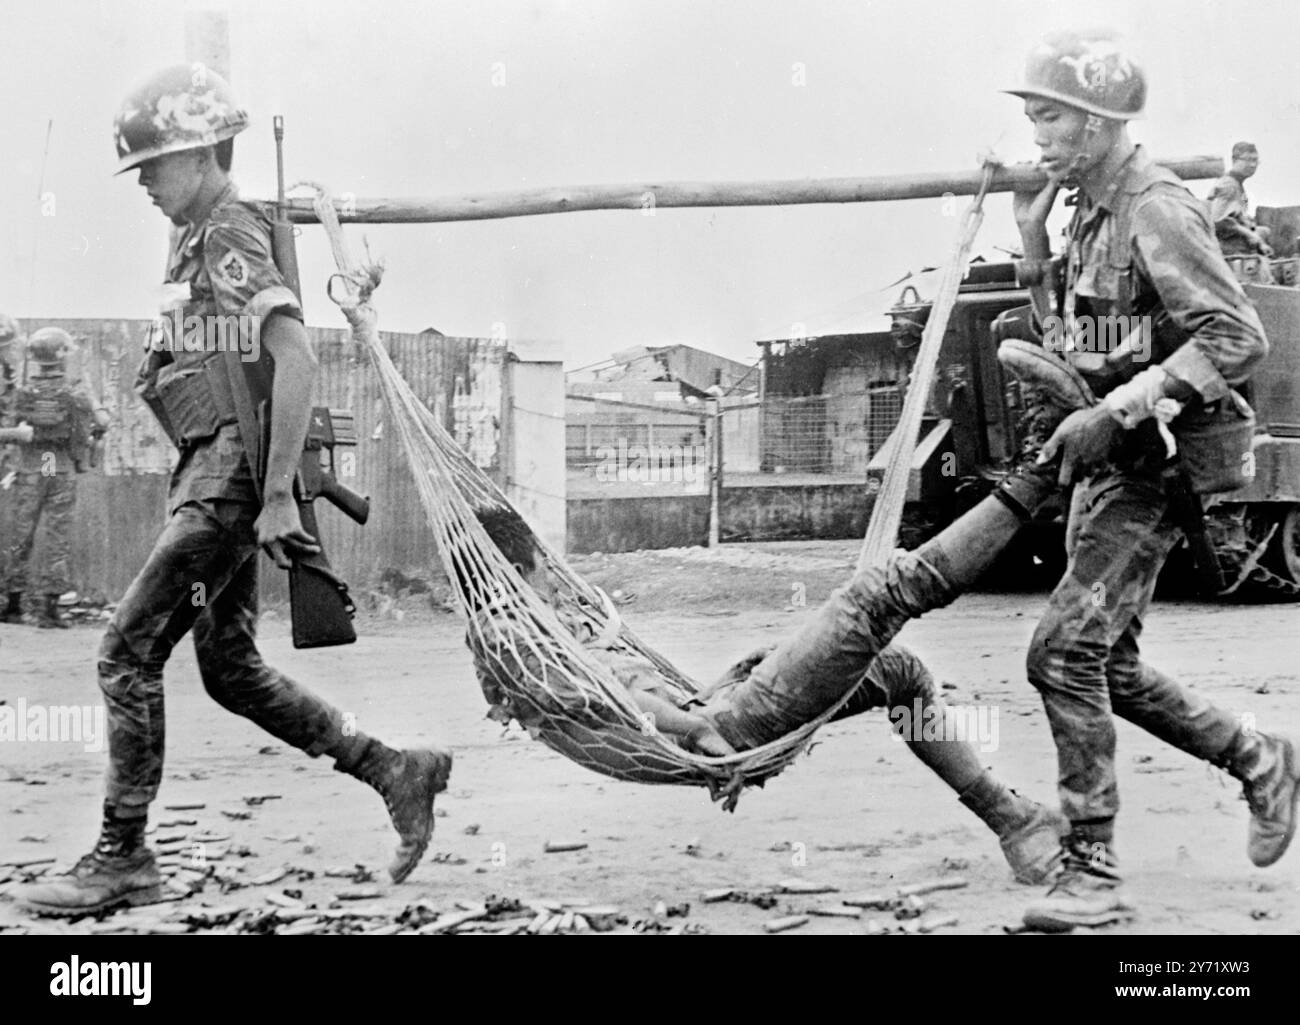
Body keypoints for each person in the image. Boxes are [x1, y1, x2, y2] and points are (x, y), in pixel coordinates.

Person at [18, 65, 451, 917]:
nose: (143, 182)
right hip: (210, 477)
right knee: (229, 667)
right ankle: (395, 769)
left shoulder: (229, 232)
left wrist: (281, 494)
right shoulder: (191, 243)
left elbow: (294, 356)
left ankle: (124, 855)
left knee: (125, 649)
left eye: (153, 164)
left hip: (229, 487)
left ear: (202, 153)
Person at [470, 355, 1095, 883]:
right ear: (520, 571)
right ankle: (1044, 464)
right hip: (730, 728)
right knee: (877, 596)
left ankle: (1015, 826)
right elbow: (605, 702)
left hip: (724, 709)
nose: (557, 580)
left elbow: (619, 700)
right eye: (545, 569)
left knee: (901, 673)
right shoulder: (515, 633)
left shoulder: (529, 629)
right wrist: (695, 732)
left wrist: (712, 689)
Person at [1001, 30, 1295, 932]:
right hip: (1115, 458)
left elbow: (1239, 336)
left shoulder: (1157, 206)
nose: (1037, 137)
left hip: (1163, 462)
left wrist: (1126, 407)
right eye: (1034, 117)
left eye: (1049, 118)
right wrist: (1030, 243)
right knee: (1108, 663)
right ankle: (1260, 760)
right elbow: (1073, 345)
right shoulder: (1084, 208)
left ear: (1095, 123)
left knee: (1061, 652)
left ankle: (1090, 868)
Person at [0, 328, 99, 628]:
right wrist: (83, 458)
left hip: (31, 466)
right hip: (58, 466)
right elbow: (83, 434)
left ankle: (13, 604)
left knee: (21, 535)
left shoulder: (23, 392)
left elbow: (10, 428)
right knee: (57, 537)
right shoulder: (74, 392)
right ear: (61, 355)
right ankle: (49, 609)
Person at [1206, 142, 1274, 281]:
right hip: (1231, 252)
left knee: (1264, 231)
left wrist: (1258, 239)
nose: (1253, 165)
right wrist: (1251, 235)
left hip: (1237, 251)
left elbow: (1238, 217)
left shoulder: (1237, 185)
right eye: (1248, 160)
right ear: (1235, 161)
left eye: (1255, 160)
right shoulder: (1229, 185)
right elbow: (1218, 221)